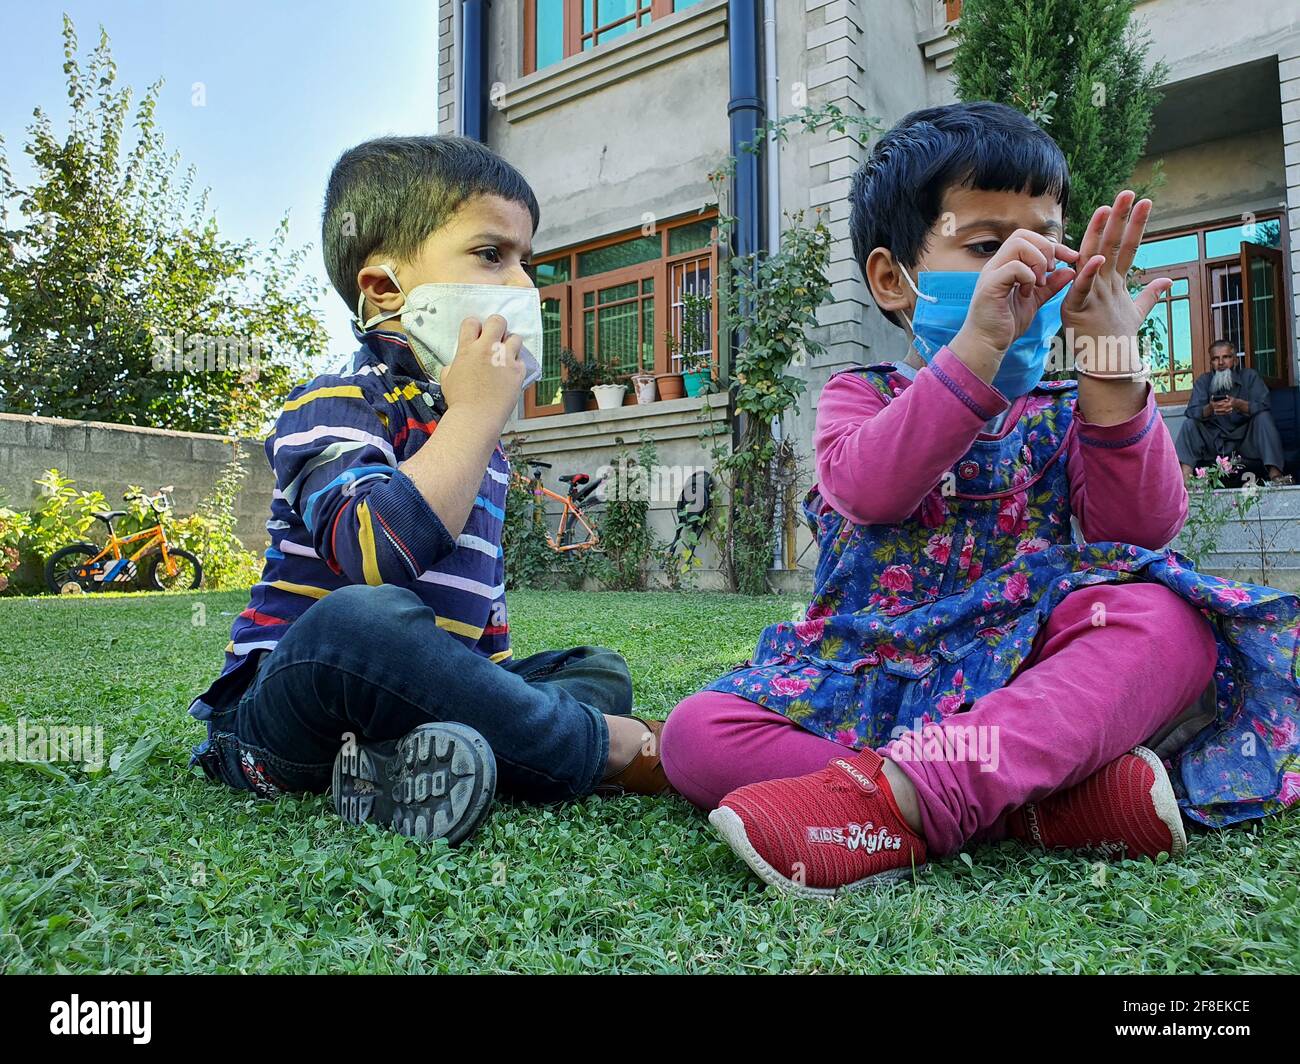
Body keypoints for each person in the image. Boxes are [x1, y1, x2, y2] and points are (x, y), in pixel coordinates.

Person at [660, 102, 1300, 897]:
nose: (1027, 272)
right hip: (873, 669)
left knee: (1169, 621)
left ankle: (906, 799)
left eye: (1048, 244)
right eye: (990, 246)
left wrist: (1110, 366)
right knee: (696, 736)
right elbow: (869, 487)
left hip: (1020, 675)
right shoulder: (859, 395)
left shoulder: (1068, 404)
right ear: (894, 279)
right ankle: (1040, 809)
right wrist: (976, 354)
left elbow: (1139, 535)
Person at [187, 136, 670, 847]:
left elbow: (482, 609)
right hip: (294, 704)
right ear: (385, 289)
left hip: (417, 699)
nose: (522, 287)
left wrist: (495, 691)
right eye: (490, 255)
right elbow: (376, 554)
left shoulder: (478, 439)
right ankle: (603, 750)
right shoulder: (334, 402)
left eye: (525, 262)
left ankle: (408, 765)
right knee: (364, 621)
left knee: (596, 669)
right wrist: (476, 414)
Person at [1176, 340, 1290, 483]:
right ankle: (1185, 482)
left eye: (1226, 357)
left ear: (1235, 360)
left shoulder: (1249, 377)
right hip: (1214, 442)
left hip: (1245, 441)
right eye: (1215, 359)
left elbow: (1264, 405)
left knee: (1263, 417)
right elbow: (1191, 412)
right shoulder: (1204, 381)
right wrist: (1210, 408)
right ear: (1211, 363)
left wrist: (1238, 404)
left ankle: (1276, 476)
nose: (1221, 362)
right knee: (1189, 424)